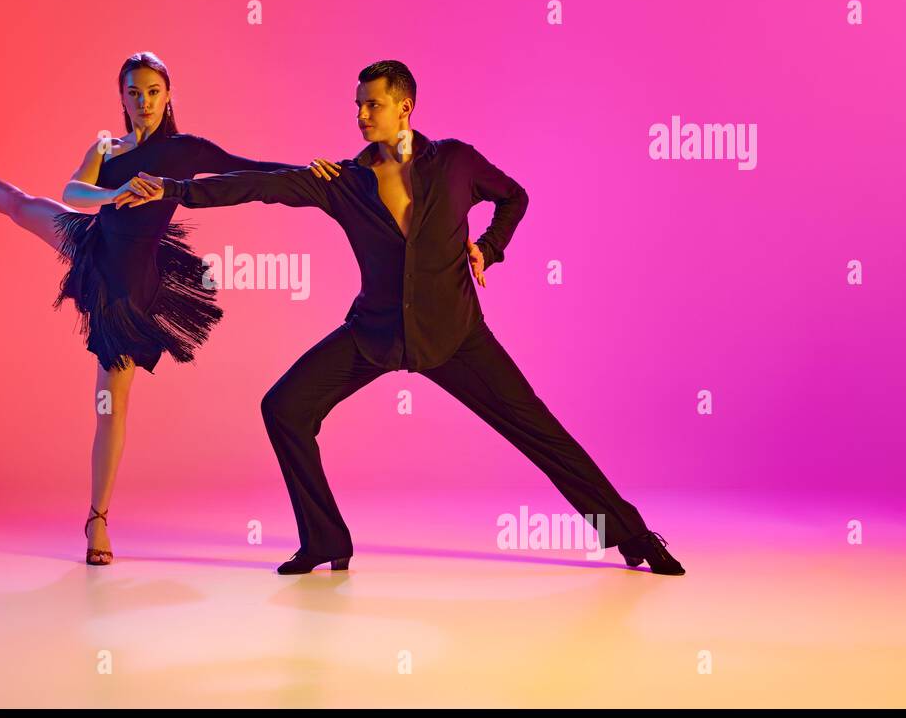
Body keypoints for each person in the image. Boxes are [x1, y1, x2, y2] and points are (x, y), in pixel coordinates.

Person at [122, 59, 685, 576]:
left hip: (456, 336)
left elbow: (515, 197)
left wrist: (488, 249)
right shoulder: (340, 181)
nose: (361, 115)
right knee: (284, 408)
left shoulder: (457, 162)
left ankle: (632, 535)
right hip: (374, 335)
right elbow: (259, 188)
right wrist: (171, 190)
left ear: (404, 108)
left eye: (372, 104)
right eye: (358, 105)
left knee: (543, 435)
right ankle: (326, 540)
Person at [0, 51, 341, 565]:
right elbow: (72, 190)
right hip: (91, 241)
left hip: (130, 286)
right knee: (19, 204)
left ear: (168, 94)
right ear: (121, 97)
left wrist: (313, 175)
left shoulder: (186, 150)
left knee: (109, 405)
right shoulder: (107, 145)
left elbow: (249, 170)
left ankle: (96, 519)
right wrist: (116, 190)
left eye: (153, 92)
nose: (144, 102)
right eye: (134, 93)